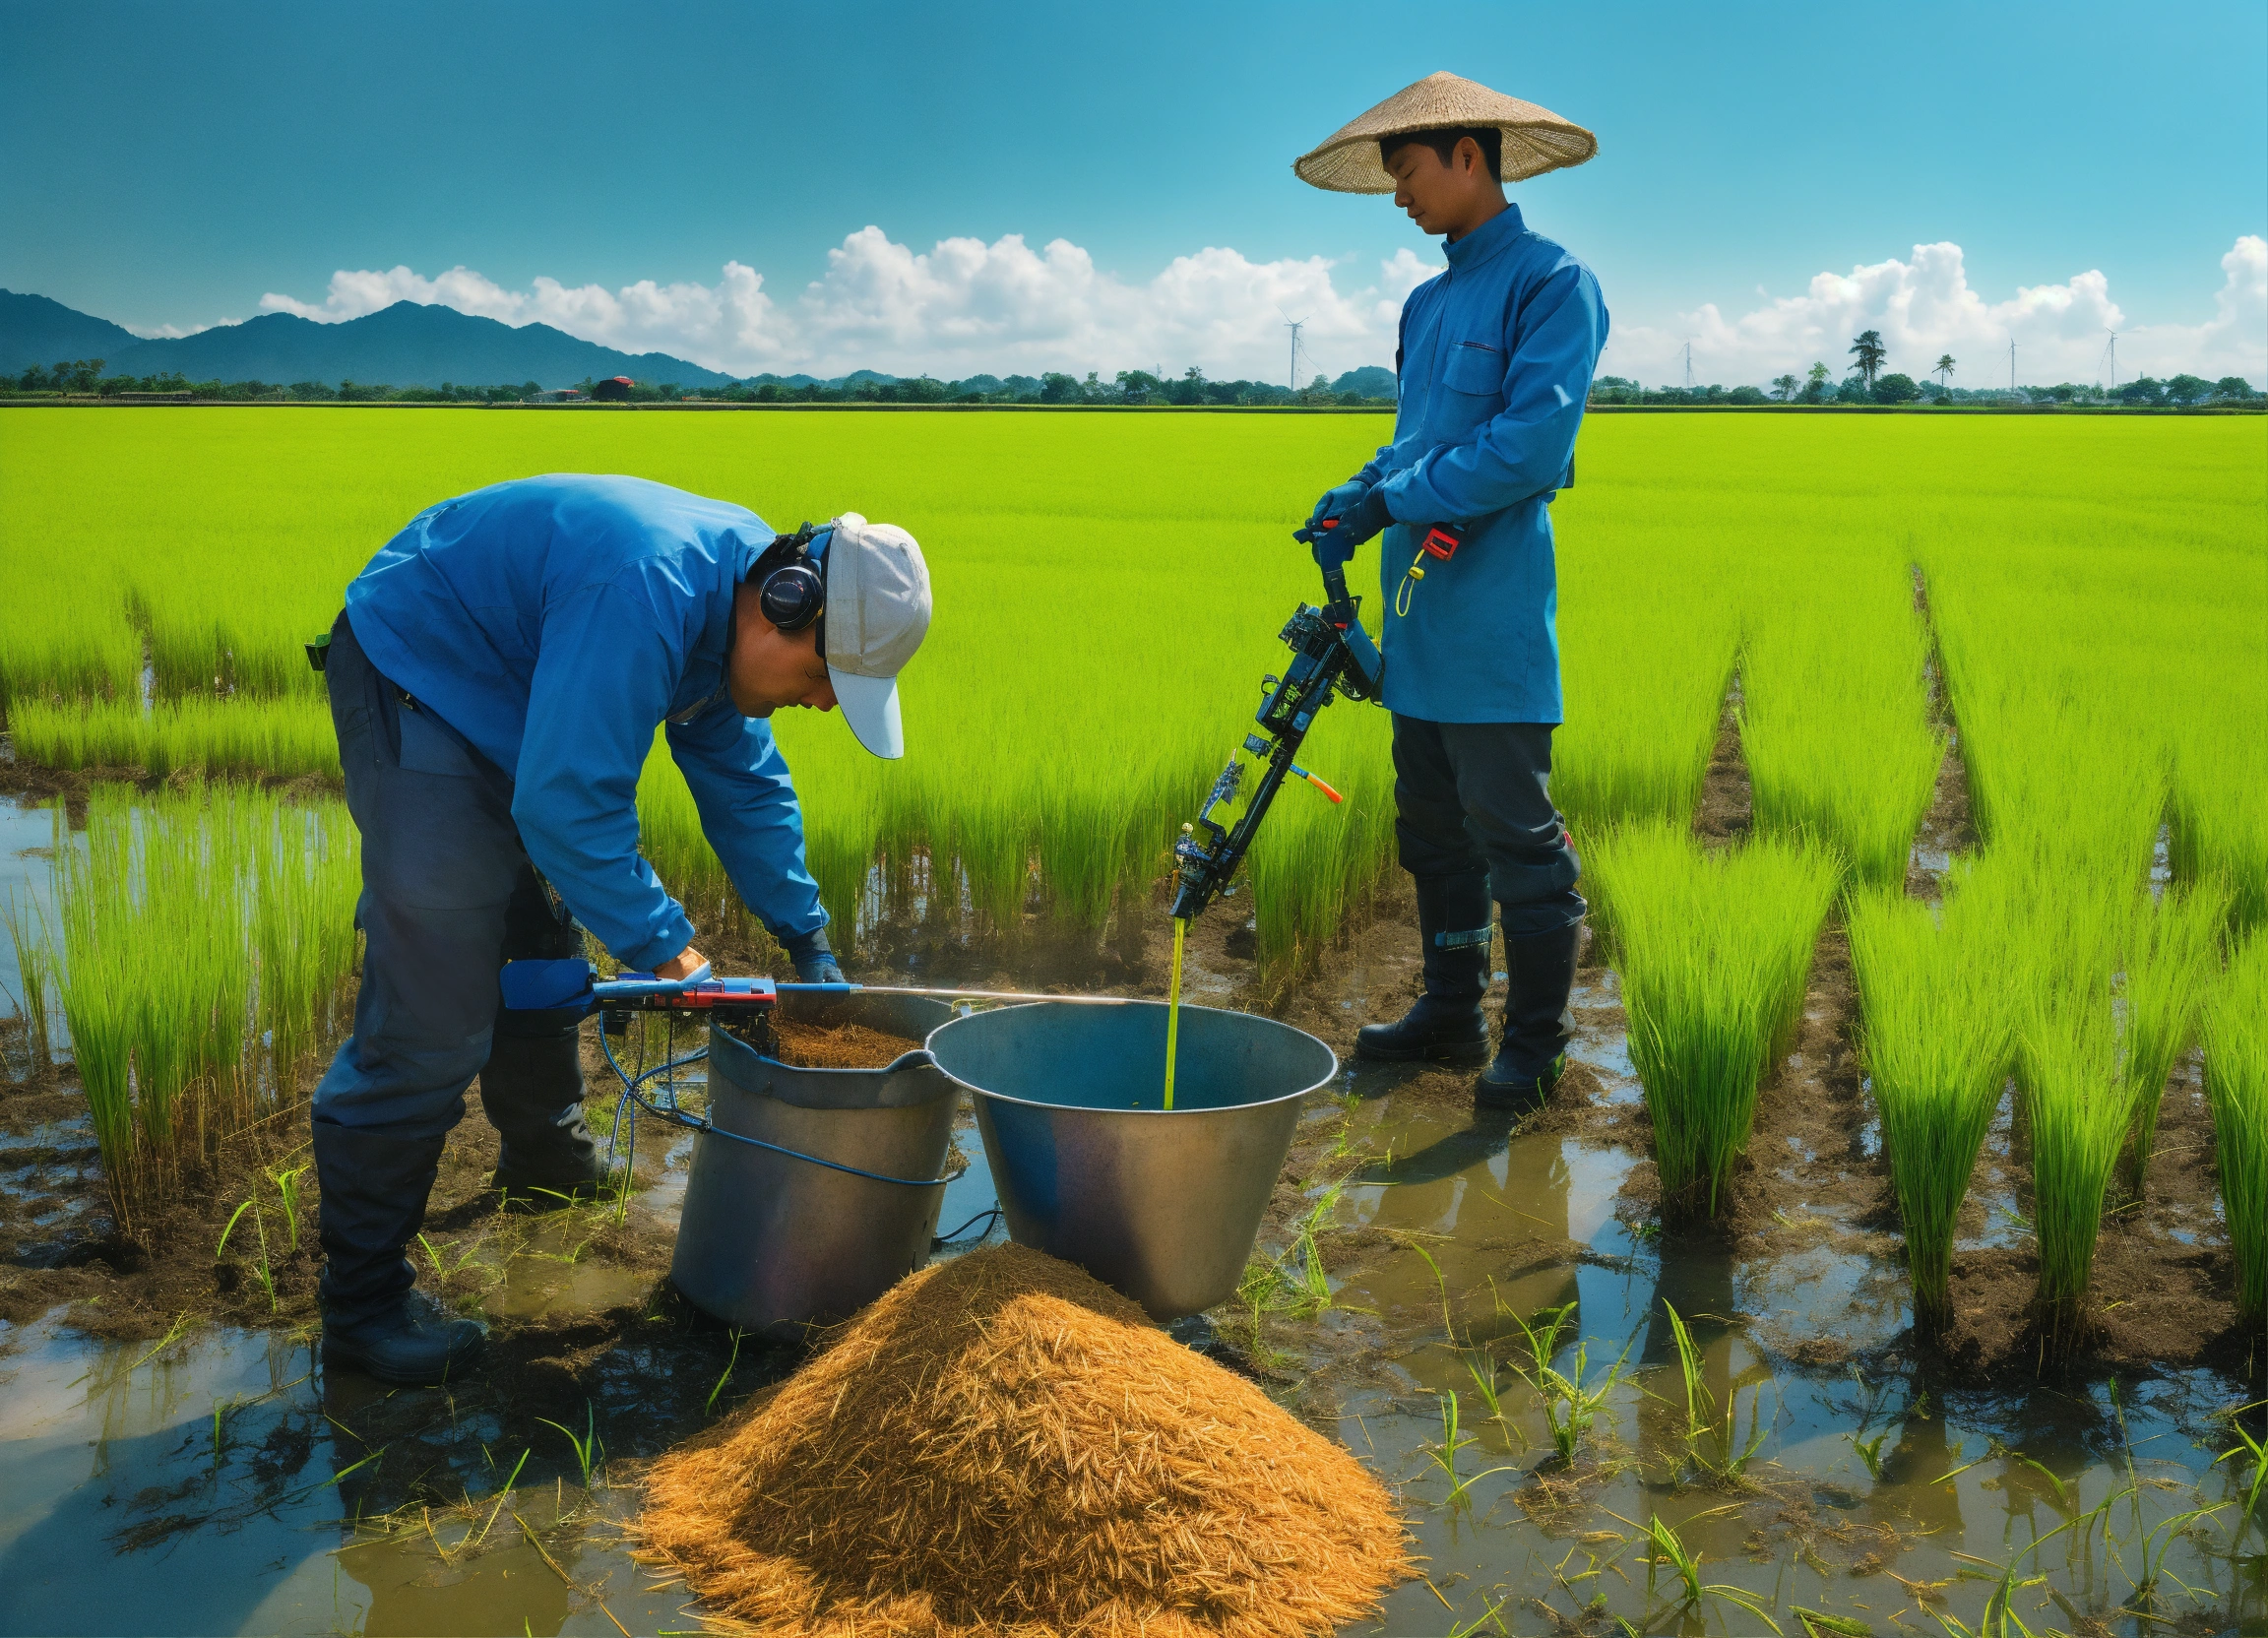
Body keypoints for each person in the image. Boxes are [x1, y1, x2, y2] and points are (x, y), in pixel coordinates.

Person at [309, 474, 931, 1385]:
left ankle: (546, 1154)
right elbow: (568, 807)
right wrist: (673, 954)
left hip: (524, 684)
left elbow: (745, 785)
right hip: (422, 674)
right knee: (435, 1003)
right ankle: (362, 1308)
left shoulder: (740, 606)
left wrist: (808, 938)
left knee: (537, 929)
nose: (826, 706)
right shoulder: (648, 590)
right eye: (824, 678)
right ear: (786, 608)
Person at [1292, 72, 1606, 1107]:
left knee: (1515, 834)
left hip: (1493, 620)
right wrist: (1362, 489)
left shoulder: (1551, 282)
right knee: (1428, 828)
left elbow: (1530, 445)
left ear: (1469, 155)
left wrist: (1402, 497)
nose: (1399, 196)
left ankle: (1536, 1041)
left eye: (1408, 171)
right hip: (1417, 622)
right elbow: (1417, 439)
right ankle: (1452, 1011)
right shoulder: (1427, 302)